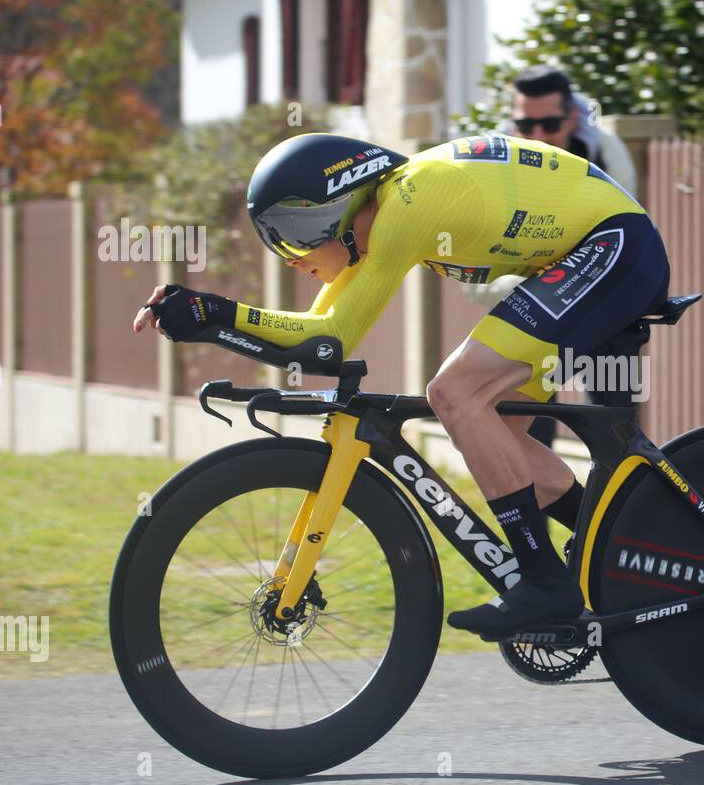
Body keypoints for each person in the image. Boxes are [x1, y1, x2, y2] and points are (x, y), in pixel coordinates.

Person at [132, 130, 670, 637]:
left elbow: (329, 340)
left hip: (616, 247)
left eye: (295, 235)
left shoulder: (410, 203)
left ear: (340, 206)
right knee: (498, 436)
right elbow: (313, 338)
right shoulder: (395, 203)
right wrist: (208, 319)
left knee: (455, 395)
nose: (292, 258)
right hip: (591, 252)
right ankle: (620, 550)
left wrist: (214, 313)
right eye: (276, 241)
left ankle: (546, 582)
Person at [461, 65, 638, 447]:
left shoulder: (607, 155)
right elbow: (474, 264)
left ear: (572, 117)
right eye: (526, 126)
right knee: (525, 437)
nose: (538, 136)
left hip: (603, 314)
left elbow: (627, 235)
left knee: (616, 435)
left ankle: (625, 505)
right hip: (530, 315)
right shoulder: (493, 165)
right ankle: (535, 508)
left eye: (551, 123)